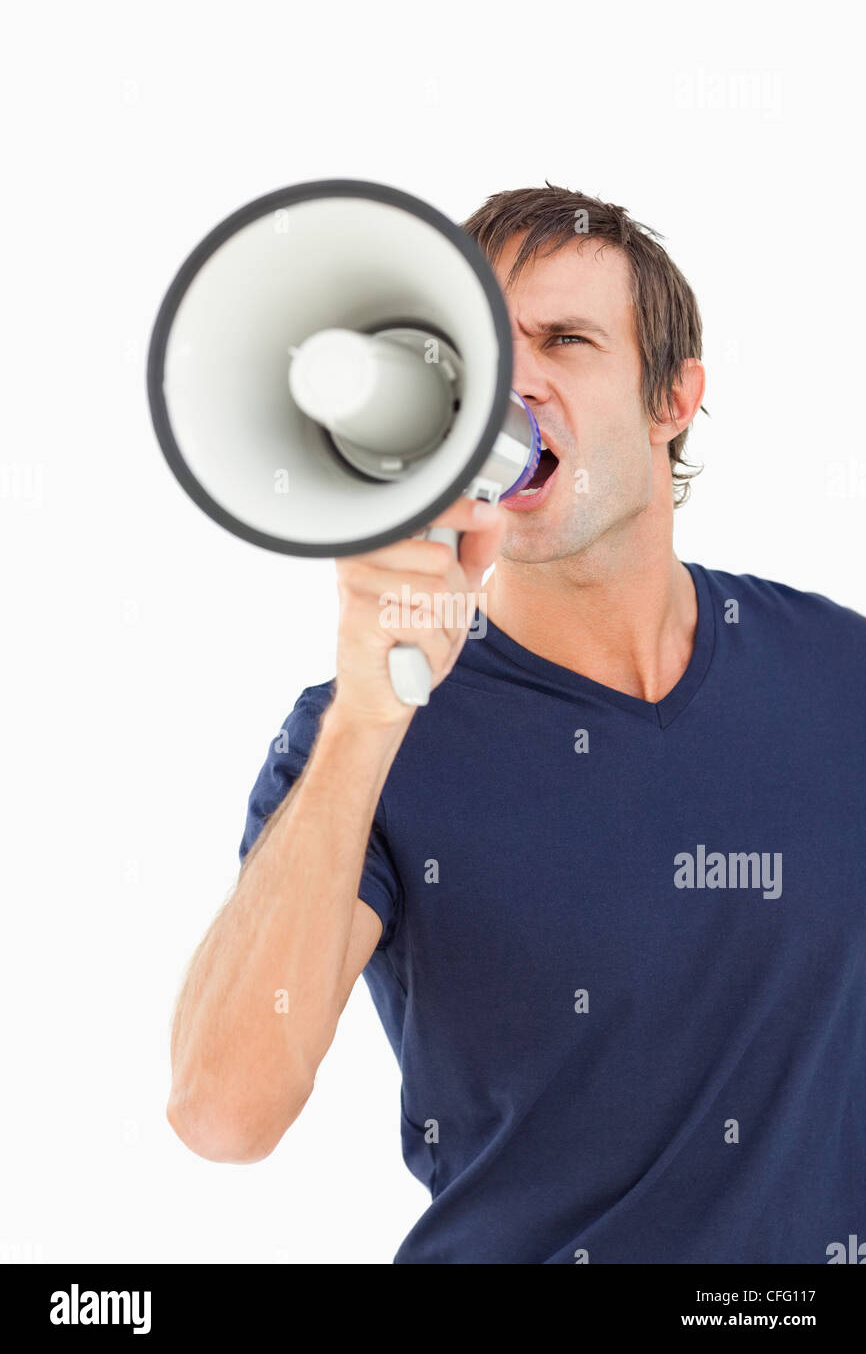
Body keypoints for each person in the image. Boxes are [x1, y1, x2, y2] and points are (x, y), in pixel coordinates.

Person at [166, 184, 866, 1264]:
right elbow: (220, 1113)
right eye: (481, 351)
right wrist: (367, 716)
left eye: (564, 339)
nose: (513, 385)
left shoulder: (837, 675)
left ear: (670, 399)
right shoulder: (365, 729)